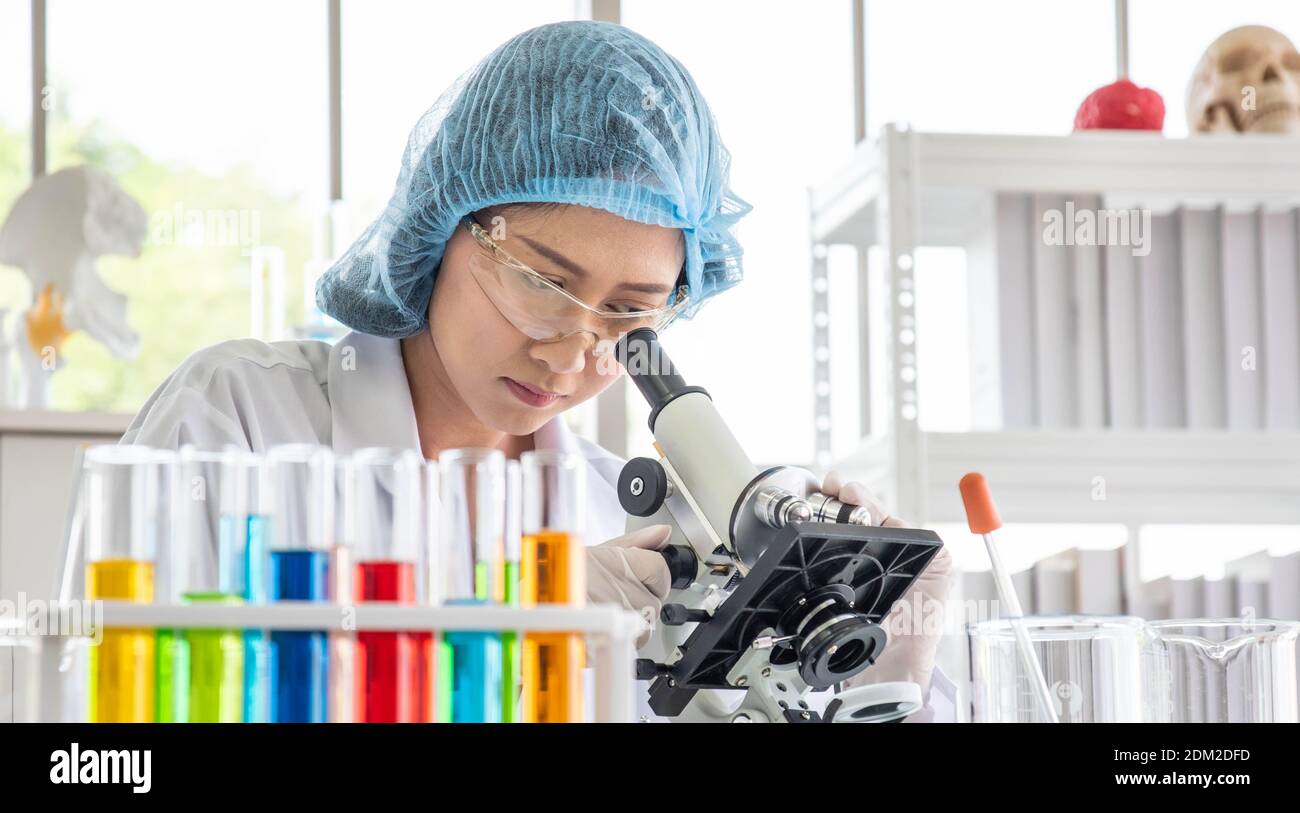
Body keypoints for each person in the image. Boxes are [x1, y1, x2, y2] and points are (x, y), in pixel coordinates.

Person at [123, 20, 953, 721]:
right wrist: (491, 645)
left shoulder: (624, 530)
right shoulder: (240, 421)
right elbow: (113, 728)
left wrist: (887, 669)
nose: (568, 351)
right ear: (444, 220)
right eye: (540, 283)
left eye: (630, 313)